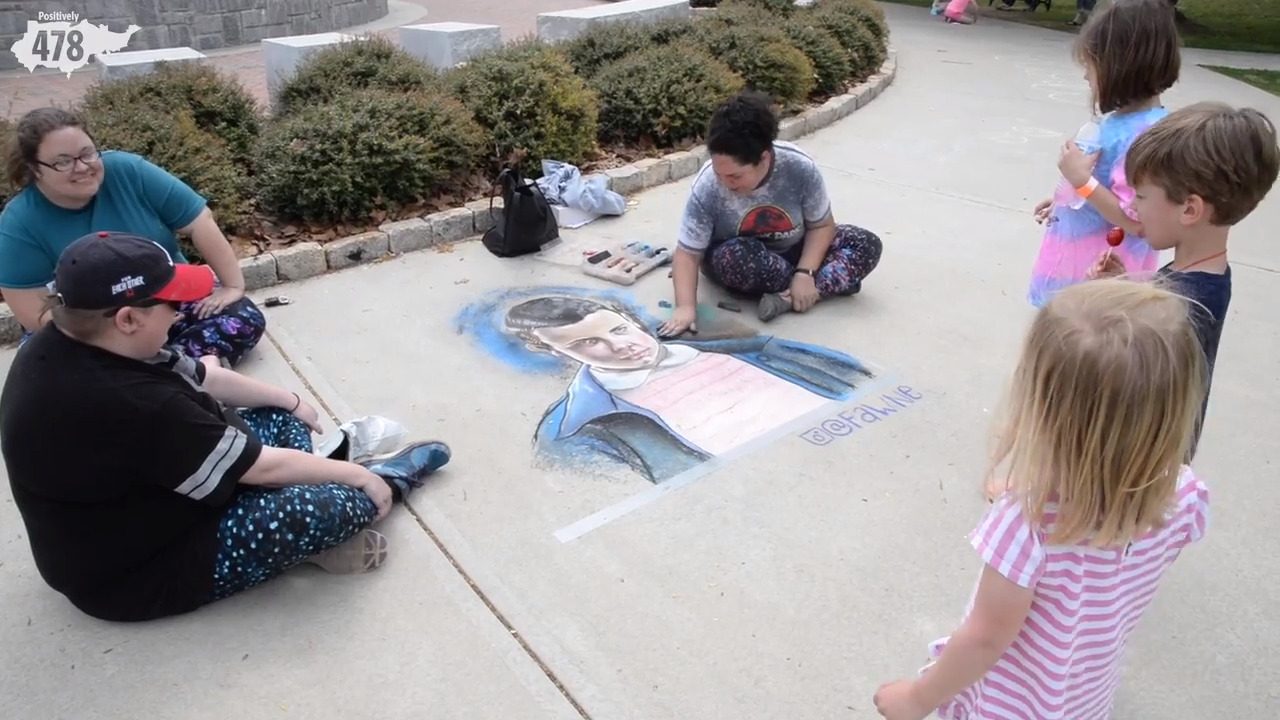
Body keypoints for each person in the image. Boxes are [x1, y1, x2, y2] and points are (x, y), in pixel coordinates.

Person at [0, 232, 451, 622]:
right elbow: (260, 470)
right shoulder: (130, 401)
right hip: (139, 573)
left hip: (152, 496)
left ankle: (323, 483)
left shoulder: (71, 341)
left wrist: (290, 399)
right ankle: (386, 479)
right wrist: (361, 478)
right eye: (173, 304)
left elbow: (204, 375)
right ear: (128, 318)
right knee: (326, 506)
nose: (181, 312)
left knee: (277, 414)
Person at [874, 278, 1210, 720]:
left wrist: (917, 698)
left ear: (1044, 407)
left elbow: (985, 639)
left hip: (1010, 707)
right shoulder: (1184, 494)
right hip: (1084, 698)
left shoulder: (1027, 527)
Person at [504, 295, 876, 483]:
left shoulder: (757, 350)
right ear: (554, 352)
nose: (620, 347)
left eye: (618, 330)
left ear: (632, 320)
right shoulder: (577, 430)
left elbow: (855, 379)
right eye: (587, 344)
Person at [0, 107, 265, 366]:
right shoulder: (18, 224)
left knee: (242, 317)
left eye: (87, 153)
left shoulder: (128, 170)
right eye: (63, 161)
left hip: (167, 298)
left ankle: (165, 373)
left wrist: (232, 286)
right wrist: (120, 336)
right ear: (35, 169)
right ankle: (184, 370)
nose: (82, 167)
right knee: (44, 366)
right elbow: (36, 316)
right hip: (88, 328)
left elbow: (199, 221)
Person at [1092, 101, 1279, 457]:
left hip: (1141, 467)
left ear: (1190, 209)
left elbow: (1132, 376)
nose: (1133, 208)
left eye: (1142, 196)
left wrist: (1107, 309)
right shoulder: (1201, 275)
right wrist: (1130, 289)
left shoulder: (1188, 307)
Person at [659, 91, 883, 334]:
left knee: (866, 243)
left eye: (735, 176)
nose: (725, 182)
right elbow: (688, 254)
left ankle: (796, 295)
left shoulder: (799, 168)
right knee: (738, 259)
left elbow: (821, 226)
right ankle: (827, 283)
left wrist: (805, 272)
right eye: (718, 173)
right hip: (744, 258)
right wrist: (685, 308)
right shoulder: (707, 186)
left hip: (795, 250)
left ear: (764, 158)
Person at [1026, 0, 1181, 308]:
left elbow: (1138, 221)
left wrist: (1081, 180)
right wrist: (1065, 198)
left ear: (1121, 67)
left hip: (1097, 283)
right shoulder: (1125, 122)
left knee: (1082, 345)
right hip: (1080, 267)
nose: (1086, 78)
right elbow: (1105, 186)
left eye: (1091, 67)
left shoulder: (1143, 136)